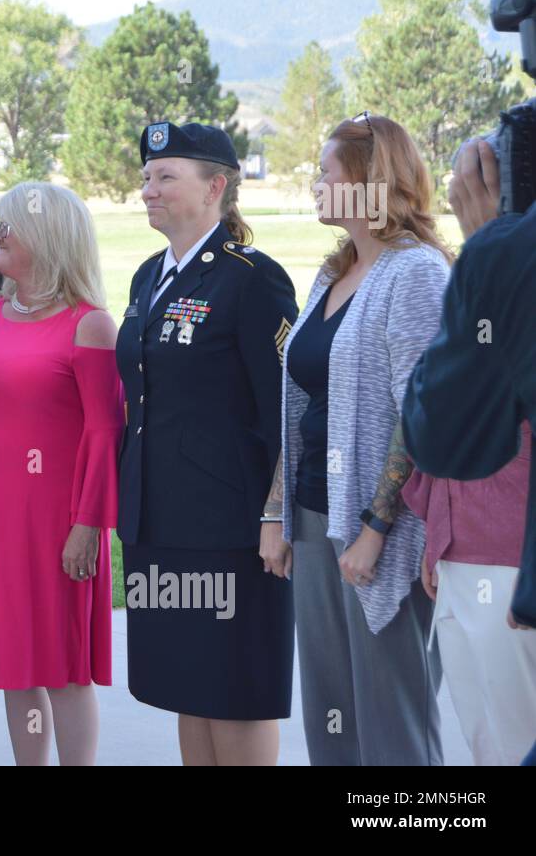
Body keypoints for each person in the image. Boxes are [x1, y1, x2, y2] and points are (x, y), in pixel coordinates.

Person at [266, 113, 453, 766]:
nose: (314, 184)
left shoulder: (416, 274)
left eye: (325, 173)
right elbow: (303, 406)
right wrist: (276, 513)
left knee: (392, 719)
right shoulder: (330, 274)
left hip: (379, 529)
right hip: (316, 518)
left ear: (368, 182)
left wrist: (376, 527)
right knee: (332, 716)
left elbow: (419, 413)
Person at [0, 182, 123, 766]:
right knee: (13, 665)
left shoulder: (90, 326)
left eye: (9, 224)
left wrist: (90, 526)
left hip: (55, 522)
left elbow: (105, 434)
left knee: (61, 665)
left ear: (49, 237)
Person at [116, 122, 297, 766]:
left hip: (231, 525)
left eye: (166, 177)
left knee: (236, 690)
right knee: (186, 687)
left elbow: (289, 411)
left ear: (215, 186)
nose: (148, 190)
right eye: (145, 177)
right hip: (159, 519)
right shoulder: (149, 276)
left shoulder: (252, 279)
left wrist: (277, 514)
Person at [402, 134, 536, 766]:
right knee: (490, 749)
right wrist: (439, 534)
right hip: (467, 549)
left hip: (511, 557)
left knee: (514, 745)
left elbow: (441, 419)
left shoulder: (504, 266)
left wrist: (492, 248)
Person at [403, 425, 534, 765]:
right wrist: (437, 536)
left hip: (512, 556)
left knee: (518, 737)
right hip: (454, 552)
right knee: (483, 739)